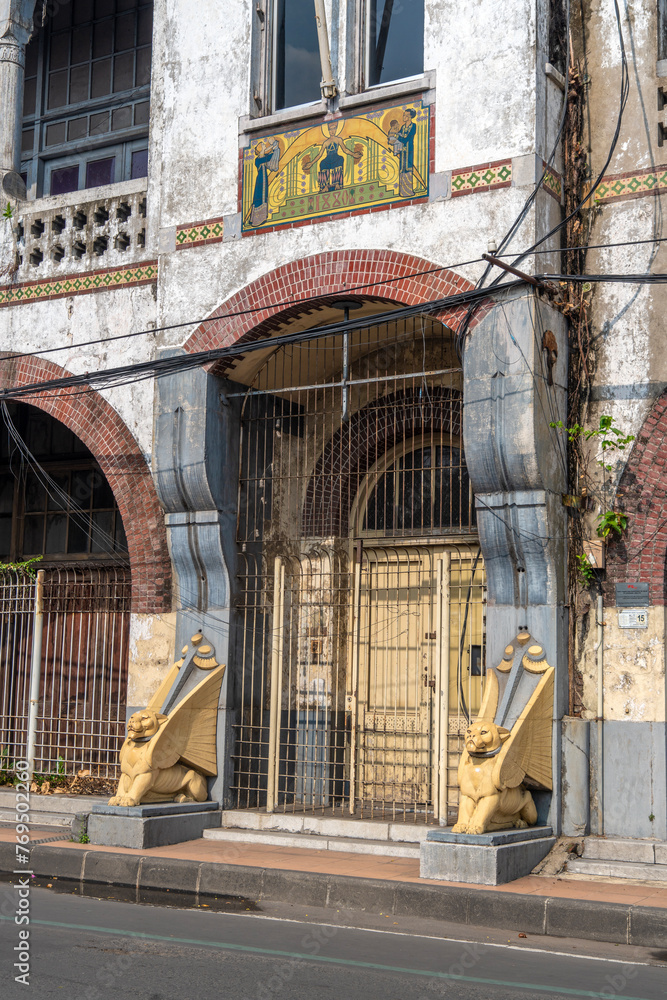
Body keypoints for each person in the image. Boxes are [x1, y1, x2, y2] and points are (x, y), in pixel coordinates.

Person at [301, 121, 362, 193]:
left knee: (341, 159)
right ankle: (324, 187)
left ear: (336, 130)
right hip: (328, 159)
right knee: (322, 163)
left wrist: (353, 154)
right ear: (328, 131)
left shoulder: (339, 139)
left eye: (334, 129)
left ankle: (337, 184)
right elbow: (320, 154)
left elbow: (345, 150)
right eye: (331, 129)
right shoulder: (326, 142)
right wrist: (311, 163)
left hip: (336, 157)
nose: (332, 131)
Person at [249, 139, 280, 227]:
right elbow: (269, 156)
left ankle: (260, 218)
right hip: (260, 180)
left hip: (263, 179)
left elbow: (271, 155)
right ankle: (256, 220)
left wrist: (274, 146)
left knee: (263, 197)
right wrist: (273, 147)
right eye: (263, 146)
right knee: (260, 198)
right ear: (260, 149)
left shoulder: (263, 157)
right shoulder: (258, 160)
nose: (265, 147)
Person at [392, 108, 417, 197]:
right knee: (402, 168)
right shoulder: (403, 127)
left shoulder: (413, 126)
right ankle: (402, 192)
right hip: (402, 151)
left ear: (410, 117)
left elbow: (408, 138)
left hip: (409, 150)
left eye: (406, 115)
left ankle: (409, 191)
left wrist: (398, 137)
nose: (404, 117)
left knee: (408, 168)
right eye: (404, 115)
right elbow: (398, 134)